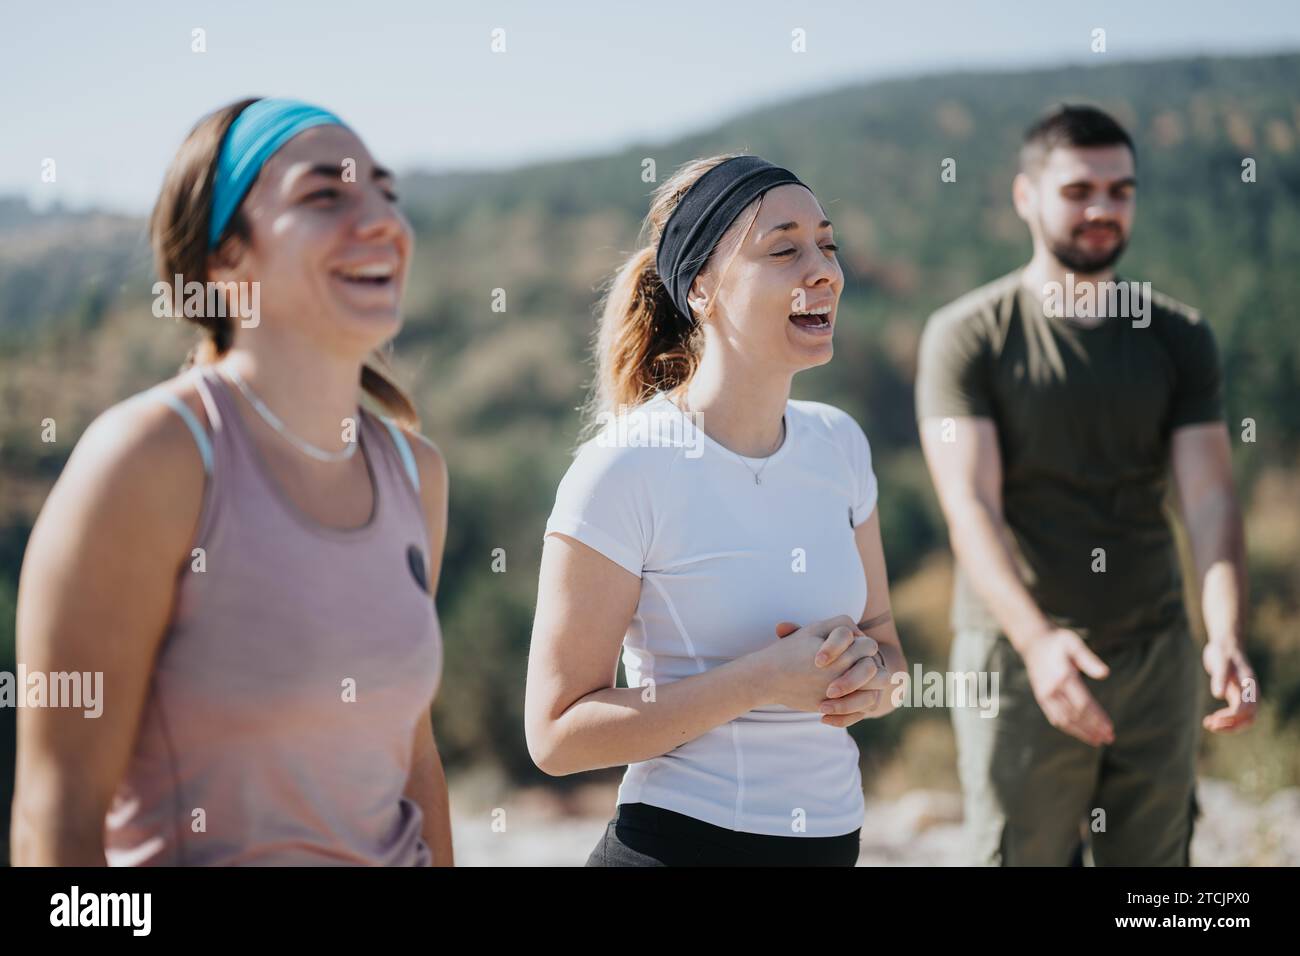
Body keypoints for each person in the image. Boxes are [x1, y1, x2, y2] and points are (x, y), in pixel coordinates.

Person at [10, 98, 452, 866]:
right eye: (325, 195)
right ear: (224, 258)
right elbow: (57, 814)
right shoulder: (150, 459)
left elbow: (412, 758)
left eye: (387, 192)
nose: (381, 219)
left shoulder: (417, 474)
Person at [525, 154, 906, 866]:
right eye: (784, 249)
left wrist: (869, 681)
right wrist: (762, 679)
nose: (823, 270)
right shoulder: (625, 467)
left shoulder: (840, 445)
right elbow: (554, 735)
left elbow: (887, 652)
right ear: (701, 287)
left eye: (827, 244)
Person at [915, 104, 1257, 866]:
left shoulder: (1179, 335)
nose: (1103, 207)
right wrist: (1038, 644)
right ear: (1026, 196)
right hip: (1015, 658)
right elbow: (969, 504)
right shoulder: (968, 335)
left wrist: (1225, 629)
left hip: (1156, 653)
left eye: (1121, 189)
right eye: (1079, 190)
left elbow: (1208, 498)